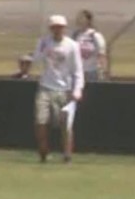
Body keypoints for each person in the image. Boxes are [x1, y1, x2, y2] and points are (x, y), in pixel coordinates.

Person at [30, 14, 84, 164]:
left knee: (66, 125)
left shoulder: (72, 45)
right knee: (41, 121)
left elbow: (77, 70)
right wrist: (42, 49)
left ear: (65, 28)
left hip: (64, 89)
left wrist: (77, 89)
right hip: (45, 87)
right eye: (54, 27)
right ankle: (43, 153)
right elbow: (36, 60)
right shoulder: (44, 42)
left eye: (60, 27)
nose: (57, 30)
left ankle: (67, 155)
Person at [73, 9, 106, 83]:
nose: (79, 20)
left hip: (92, 71)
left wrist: (102, 70)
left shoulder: (95, 35)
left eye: (82, 18)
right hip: (78, 72)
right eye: (78, 18)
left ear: (88, 20)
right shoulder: (75, 35)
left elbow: (101, 54)